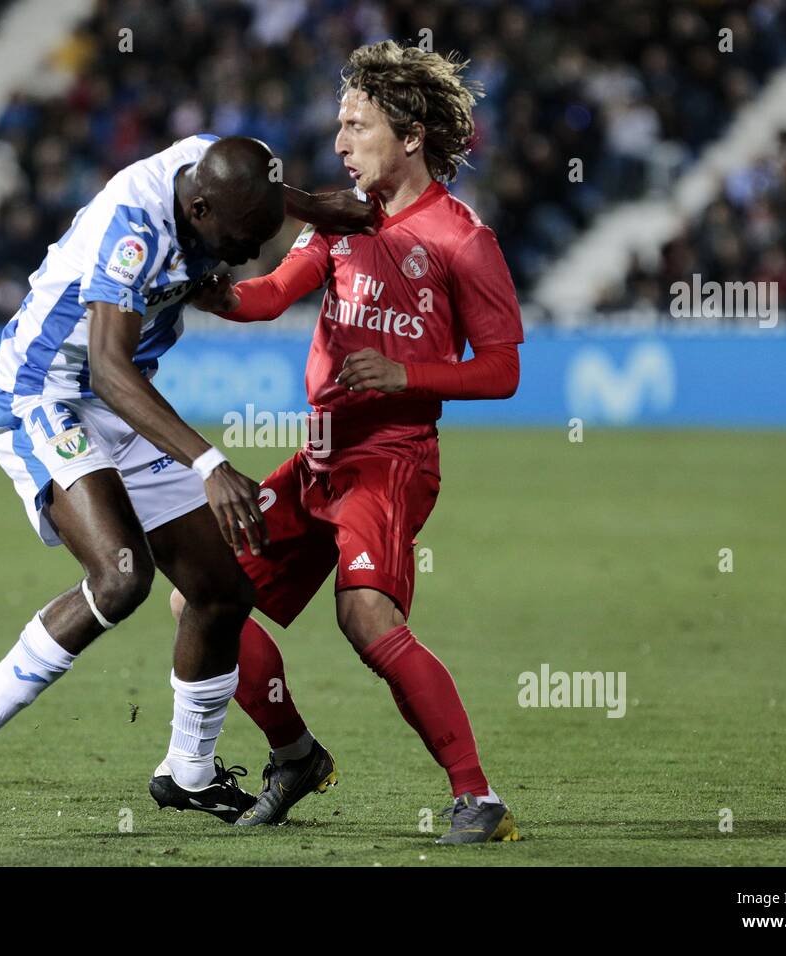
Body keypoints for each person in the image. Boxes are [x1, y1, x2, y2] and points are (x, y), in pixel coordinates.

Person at [0, 133, 374, 823]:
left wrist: (315, 207)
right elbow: (107, 365)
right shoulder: (132, 230)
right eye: (239, 237)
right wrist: (210, 464)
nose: (250, 253)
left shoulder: (220, 178)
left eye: (259, 233)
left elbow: (256, 191)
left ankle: (189, 771)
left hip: (122, 398)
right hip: (50, 394)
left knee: (222, 591)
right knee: (122, 576)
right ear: (196, 209)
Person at [179, 42, 524, 844]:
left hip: (392, 457)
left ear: (410, 135)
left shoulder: (463, 239)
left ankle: (479, 799)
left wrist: (406, 374)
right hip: (319, 457)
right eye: (339, 123)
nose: (339, 141)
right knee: (203, 598)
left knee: (366, 617)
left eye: (355, 124)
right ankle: (295, 754)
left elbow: (503, 370)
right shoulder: (341, 220)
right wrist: (194, 283)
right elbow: (265, 298)